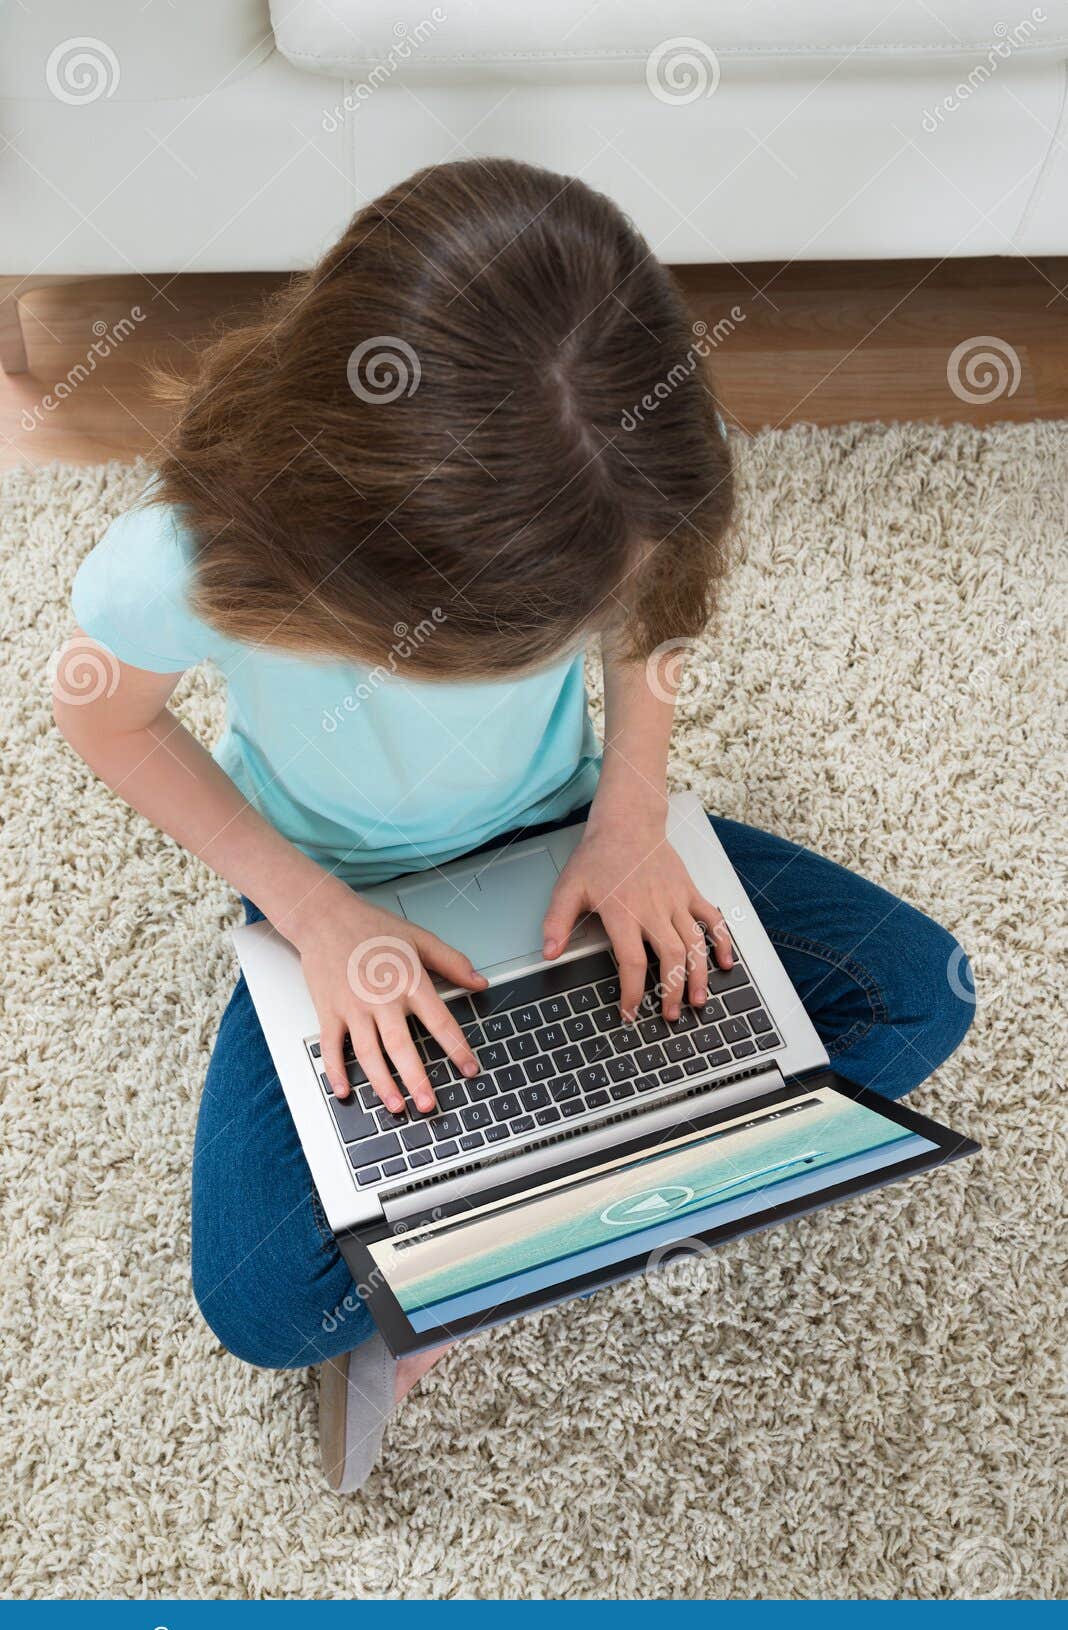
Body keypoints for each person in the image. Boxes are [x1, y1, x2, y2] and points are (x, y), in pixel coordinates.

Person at [54, 159, 973, 1492]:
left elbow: (660, 620)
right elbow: (103, 719)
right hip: (332, 891)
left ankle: (524, 1211)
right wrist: (315, 913)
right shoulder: (181, 566)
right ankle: (557, 1193)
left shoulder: (615, 487)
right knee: (264, 1304)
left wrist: (631, 814)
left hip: (570, 839)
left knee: (919, 1001)